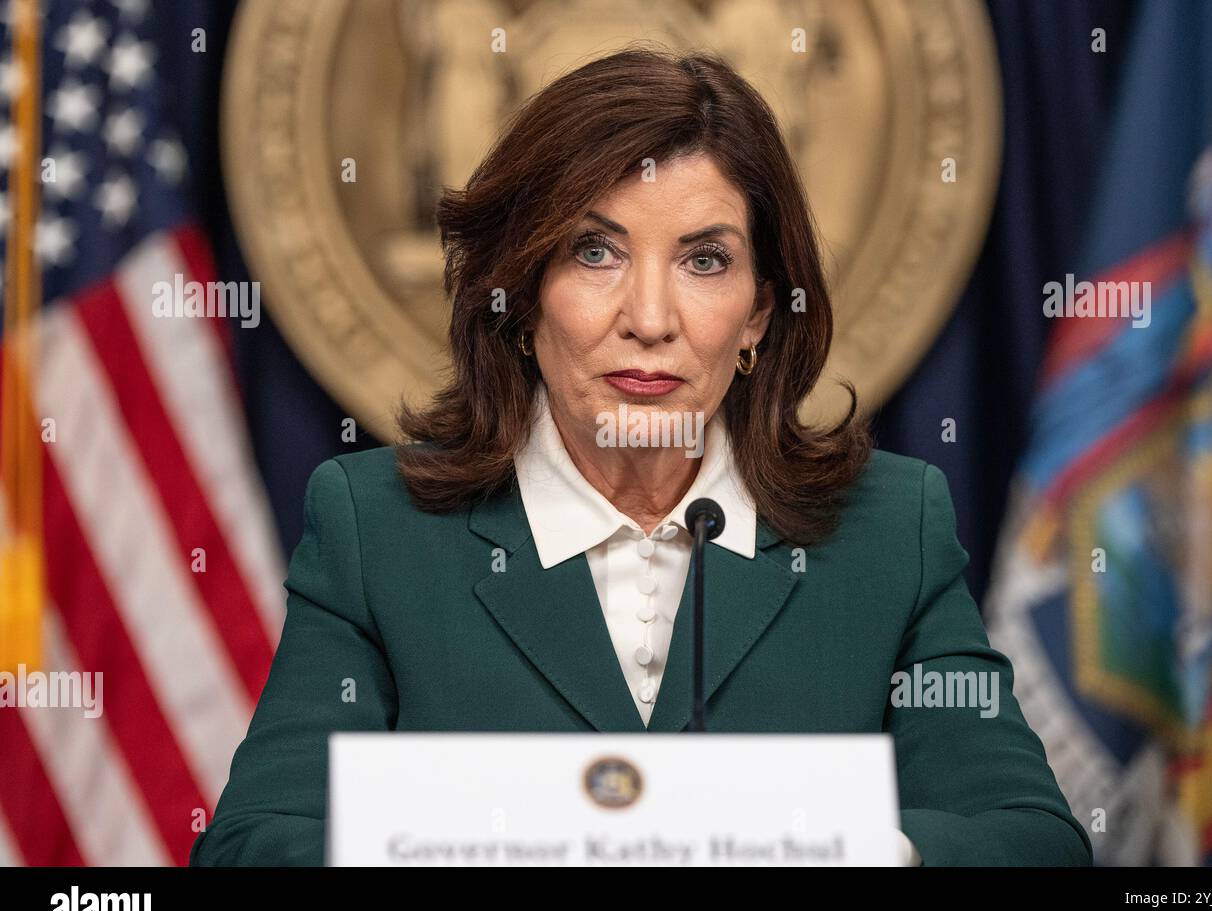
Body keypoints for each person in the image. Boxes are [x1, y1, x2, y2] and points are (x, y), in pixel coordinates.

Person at [191, 47, 1091, 867]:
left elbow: (1033, 843)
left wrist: (825, 847)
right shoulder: (374, 529)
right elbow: (251, 848)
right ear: (521, 297)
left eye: (704, 261)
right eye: (596, 253)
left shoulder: (890, 529)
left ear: (759, 314)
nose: (651, 319)